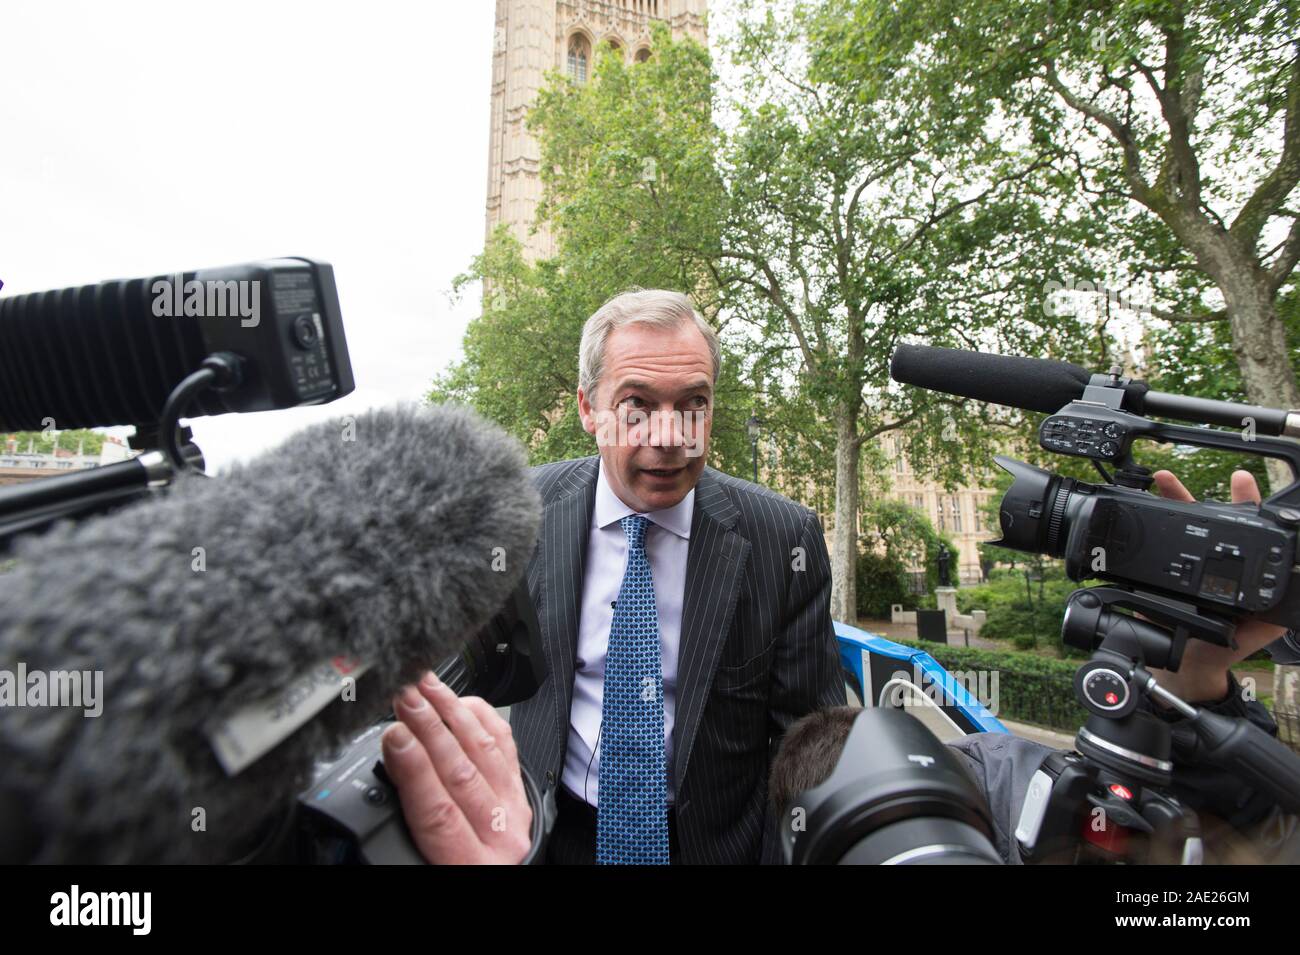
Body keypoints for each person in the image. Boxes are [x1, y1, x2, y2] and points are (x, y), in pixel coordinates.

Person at [384, 289, 845, 864]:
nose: (670, 435)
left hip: (712, 849)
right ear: (587, 409)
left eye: (694, 404)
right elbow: (438, 679)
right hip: (548, 835)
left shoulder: (783, 538)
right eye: (637, 406)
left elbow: (814, 746)